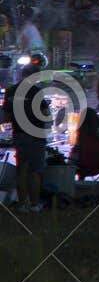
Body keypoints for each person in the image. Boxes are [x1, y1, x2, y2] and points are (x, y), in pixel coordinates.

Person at [5, 57, 49, 210]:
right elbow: (46, 115)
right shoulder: (36, 92)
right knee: (35, 170)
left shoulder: (10, 91)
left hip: (19, 134)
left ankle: (22, 204)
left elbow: (6, 117)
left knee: (21, 170)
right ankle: (35, 204)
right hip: (35, 135)